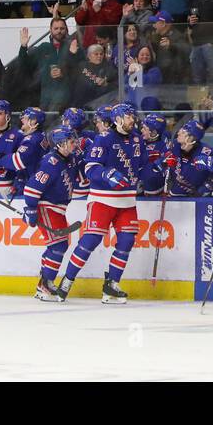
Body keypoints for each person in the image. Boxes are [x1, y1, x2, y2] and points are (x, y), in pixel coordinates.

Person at [56, 103, 145, 303]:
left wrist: (160, 165)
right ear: (118, 119)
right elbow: (90, 168)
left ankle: (111, 285)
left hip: (127, 200)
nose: (132, 120)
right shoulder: (104, 139)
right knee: (91, 241)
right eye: (128, 116)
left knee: (127, 241)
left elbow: (144, 166)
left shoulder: (138, 139)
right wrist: (106, 173)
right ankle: (67, 280)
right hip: (103, 199)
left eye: (133, 116)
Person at [25, 125, 81, 302]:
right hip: (47, 207)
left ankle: (43, 284)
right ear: (60, 143)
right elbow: (32, 188)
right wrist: (31, 209)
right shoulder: (50, 162)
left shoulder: (70, 160)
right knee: (59, 246)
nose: (75, 144)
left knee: (55, 246)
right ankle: (45, 285)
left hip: (58, 209)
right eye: (71, 141)